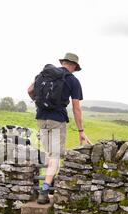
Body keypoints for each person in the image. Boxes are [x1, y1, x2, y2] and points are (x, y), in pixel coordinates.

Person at [28, 52, 91, 204]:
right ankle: (44, 191)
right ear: (74, 67)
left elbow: (30, 90)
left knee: (49, 153)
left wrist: (37, 102)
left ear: (63, 62)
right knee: (55, 156)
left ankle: (48, 183)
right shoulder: (72, 80)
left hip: (41, 118)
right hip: (57, 120)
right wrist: (81, 131)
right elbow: (76, 109)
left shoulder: (44, 74)